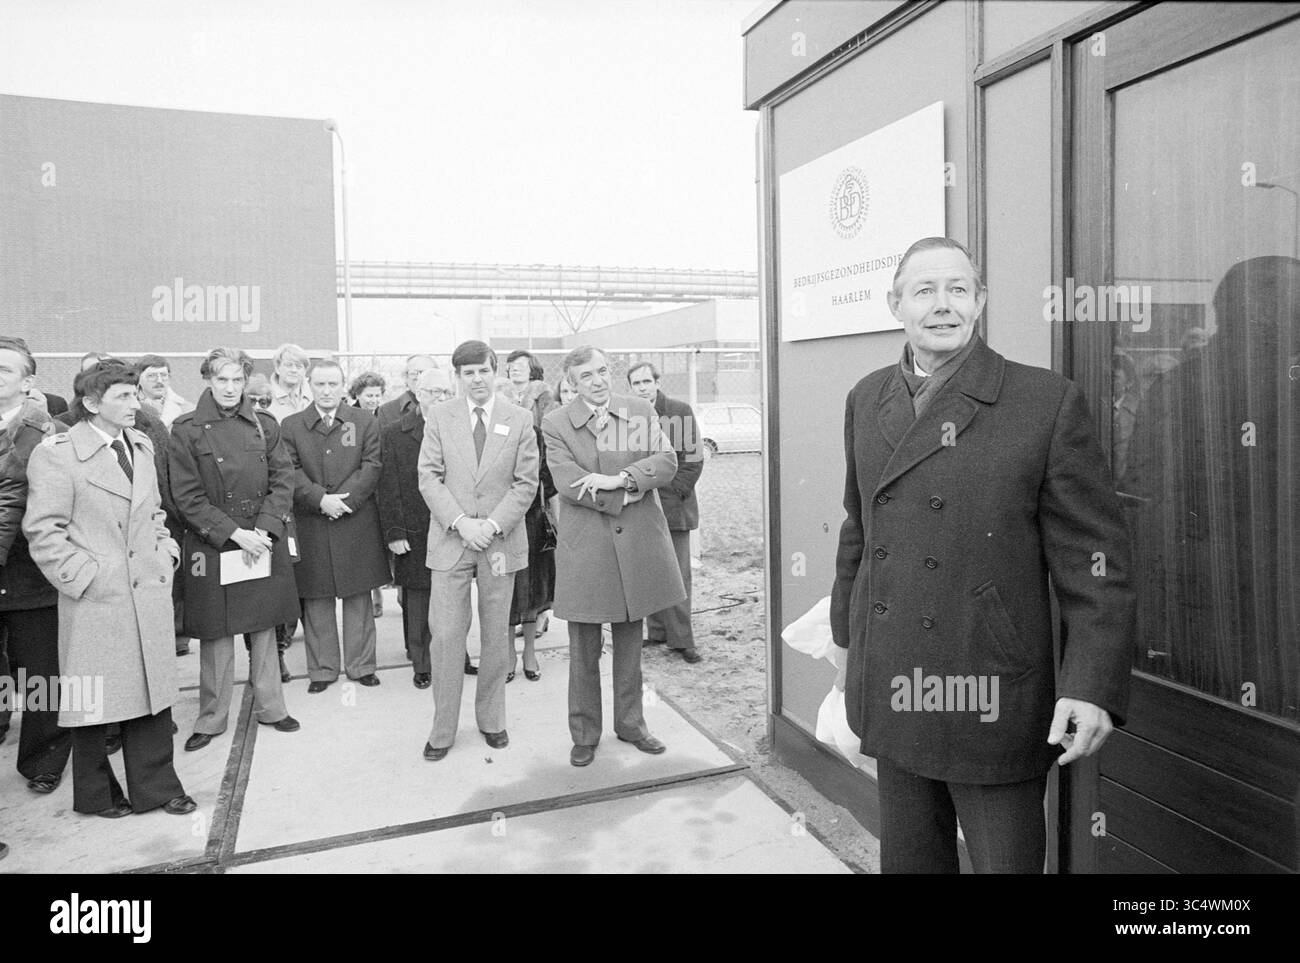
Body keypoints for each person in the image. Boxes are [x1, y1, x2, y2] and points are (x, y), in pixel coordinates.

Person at [830, 236, 1135, 873]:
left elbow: (1095, 564)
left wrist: (1090, 686)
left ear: (981, 301)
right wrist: (846, 643)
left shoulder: (1043, 402)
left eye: (958, 290)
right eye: (924, 291)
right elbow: (859, 529)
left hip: (991, 693)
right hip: (895, 684)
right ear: (896, 305)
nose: (943, 306)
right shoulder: (866, 397)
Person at [23, 360, 196, 817]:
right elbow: (43, 531)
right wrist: (87, 578)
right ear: (92, 403)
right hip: (97, 600)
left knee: (153, 696)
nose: (135, 404)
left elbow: (156, 514)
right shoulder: (57, 453)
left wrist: (167, 554)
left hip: (147, 592)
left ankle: (158, 788)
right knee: (95, 704)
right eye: (123, 396)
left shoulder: (139, 446)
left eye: (135, 394)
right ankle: (98, 795)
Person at [542, 347, 684, 767]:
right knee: (584, 648)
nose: (598, 381)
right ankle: (585, 733)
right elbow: (569, 484)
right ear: (572, 383)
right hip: (586, 550)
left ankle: (632, 724)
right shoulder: (555, 423)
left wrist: (620, 478)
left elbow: (666, 461)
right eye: (587, 376)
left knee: (630, 645)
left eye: (603, 371)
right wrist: (630, 494)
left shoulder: (640, 410)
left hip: (637, 546)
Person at [169, 348, 300, 752]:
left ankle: (273, 707)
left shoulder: (265, 425)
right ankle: (211, 718)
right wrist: (233, 535)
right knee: (216, 634)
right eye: (221, 379)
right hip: (214, 543)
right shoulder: (186, 429)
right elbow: (186, 497)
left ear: (246, 382)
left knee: (263, 626)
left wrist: (262, 531)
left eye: (237, 380)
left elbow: (284, 480)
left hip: (260, 538)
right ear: (208, 379)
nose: (229, 388)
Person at [416, 341, 538, 761]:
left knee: (495, 635)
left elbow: (526, 483)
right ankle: (442, 729)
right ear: (458, 377)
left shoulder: (519, 418)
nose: (477, 379)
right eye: (468, 373)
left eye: (483, 371)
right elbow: (429, 477)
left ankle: (492, 720)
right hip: (451, 540)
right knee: (447, 637)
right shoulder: (440, 416)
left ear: (494, 370)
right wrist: (462, 523)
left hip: (499, 542)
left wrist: (490, 525)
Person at [281, 359, 388, 693]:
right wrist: (319, 499)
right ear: (309, 386)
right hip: (313, 522)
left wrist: (345, 501)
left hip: (355, 520)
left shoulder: (363, 421)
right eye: (320, 385)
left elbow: (372, 465)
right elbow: (289, 469)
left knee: (358, 597)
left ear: (343, 386)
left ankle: (362, 666)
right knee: (316, 600)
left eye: (332, 384)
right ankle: (323, 670)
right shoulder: (292, 425)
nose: (326, 391)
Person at [0, 336, 71, 795]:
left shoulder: (47, 434)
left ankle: (43, 760)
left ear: (28, 383)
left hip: (29, 575)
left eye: (7, 369)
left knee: (41, 675)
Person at [378, 368, 453, 689]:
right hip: (414, 530)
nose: (440, 398)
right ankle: (422, 662)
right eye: (433, 392)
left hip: (452, 527)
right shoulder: (395, 433)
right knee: (419, 599)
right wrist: (395, 533)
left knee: (453, 599)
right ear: (418, 394)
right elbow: (387, 487)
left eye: (446, 392)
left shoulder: (459, 429)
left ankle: (453, 657)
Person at [627, 361, 704, 663]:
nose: (643, 387)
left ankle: (682, 640)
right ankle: (657, 631)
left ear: (657, 382)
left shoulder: (679, 410)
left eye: (647, 381)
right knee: (649, 571)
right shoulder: (629, 416)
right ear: (630, 387)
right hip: (640, 505)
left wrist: (671, 494)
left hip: (674, 507)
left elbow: (693, 460)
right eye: (636, 383)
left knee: (677, 575)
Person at [491, 379, 555, 683]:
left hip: (530, 523)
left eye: (513, 402)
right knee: (505, 594)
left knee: (531, 593)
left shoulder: (534, 433)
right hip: (496, 524)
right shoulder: (483, 436)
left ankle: (529, 651)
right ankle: (508, 655)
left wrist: (556, 522)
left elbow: (547, 480)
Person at [348, 371, 388, 618]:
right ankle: (373, 592)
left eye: (377, 395)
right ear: (357, 395)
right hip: (362, 486)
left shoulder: (385, 416)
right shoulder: (350, 419)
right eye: (368, 395)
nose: (373, 400)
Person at [378, 354, 437, 428]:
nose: (419, 377)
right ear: (405, 377)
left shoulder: (446, 406)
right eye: (414, 373)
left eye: (425, 373)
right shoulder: (388, 411)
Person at [504, 350, 557, 428]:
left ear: (532, 370)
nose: (515, 369)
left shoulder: (544, 394)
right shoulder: (501, 394)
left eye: (520, 365)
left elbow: (549, 427)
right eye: (511, 365)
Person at [136, 354, 192, 427]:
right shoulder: (128, 406)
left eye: (163, 375)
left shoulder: (188, 410)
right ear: (138, 378)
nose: (159, 380)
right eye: (151, 375)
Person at [267, 343, 313, 423]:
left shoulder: (315, 396)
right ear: (277, 368)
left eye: (299, 366)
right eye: (289, 365)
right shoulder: (265, 397)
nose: (294, 370)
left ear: (305, 371)